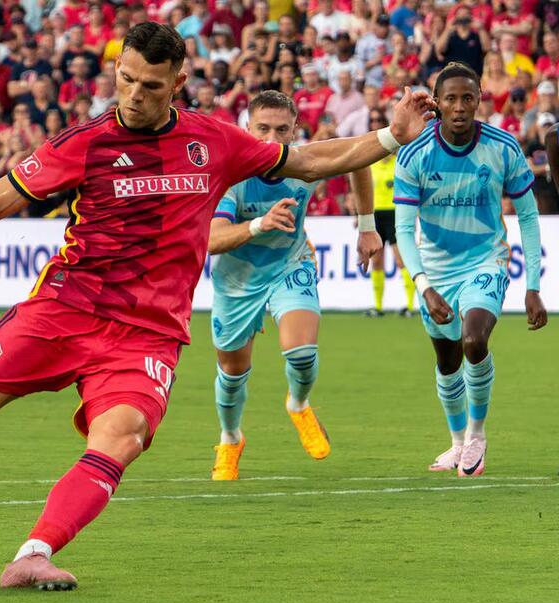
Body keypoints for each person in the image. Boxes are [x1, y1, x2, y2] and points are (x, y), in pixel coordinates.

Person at [0, 23, 434, 590]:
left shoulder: (214, 142)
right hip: (67, 307)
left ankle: (33, 554)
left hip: (147, 334)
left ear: (178, 83)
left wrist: (391, 136)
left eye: (151, 86)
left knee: (124, 435)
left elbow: (309, 161)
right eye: (126, 79)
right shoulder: (84, 143)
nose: (134, 96)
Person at [207, 91, 382, 480]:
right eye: (262, 129)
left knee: (301, 352)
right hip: (237, 277)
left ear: (294, 130)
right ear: (246, 129)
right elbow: (211, 239)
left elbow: (359, 157)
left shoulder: (305, 162)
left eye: (281, 130)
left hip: (290, 264)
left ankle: (299, 404)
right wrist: (259, 224)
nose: (272, 139)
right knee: (232, 373)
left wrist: (367, 226)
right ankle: (230, 438)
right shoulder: (231, 175)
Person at [394, 62, 546, 477]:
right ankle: (457, 442)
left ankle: (477, 436)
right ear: (437, 103)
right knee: (447, 361)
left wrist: (533, 286)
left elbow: (528, 216)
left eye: (467, 98)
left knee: (473, 340)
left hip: (486, 261)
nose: (459, 106)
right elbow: (404, 229)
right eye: (451, 99)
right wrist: (424, 286)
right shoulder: (414, 153)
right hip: (436, 271)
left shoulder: (503, 147)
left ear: (480, 100)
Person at [365, 109, 416, 319]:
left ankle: (410, 306)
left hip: (395, 214)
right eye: (372, 120)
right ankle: (378, 306)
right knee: (377, 261)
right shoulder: (370, 164)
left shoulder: (399, 163)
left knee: (401, 260)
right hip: (375, 215)